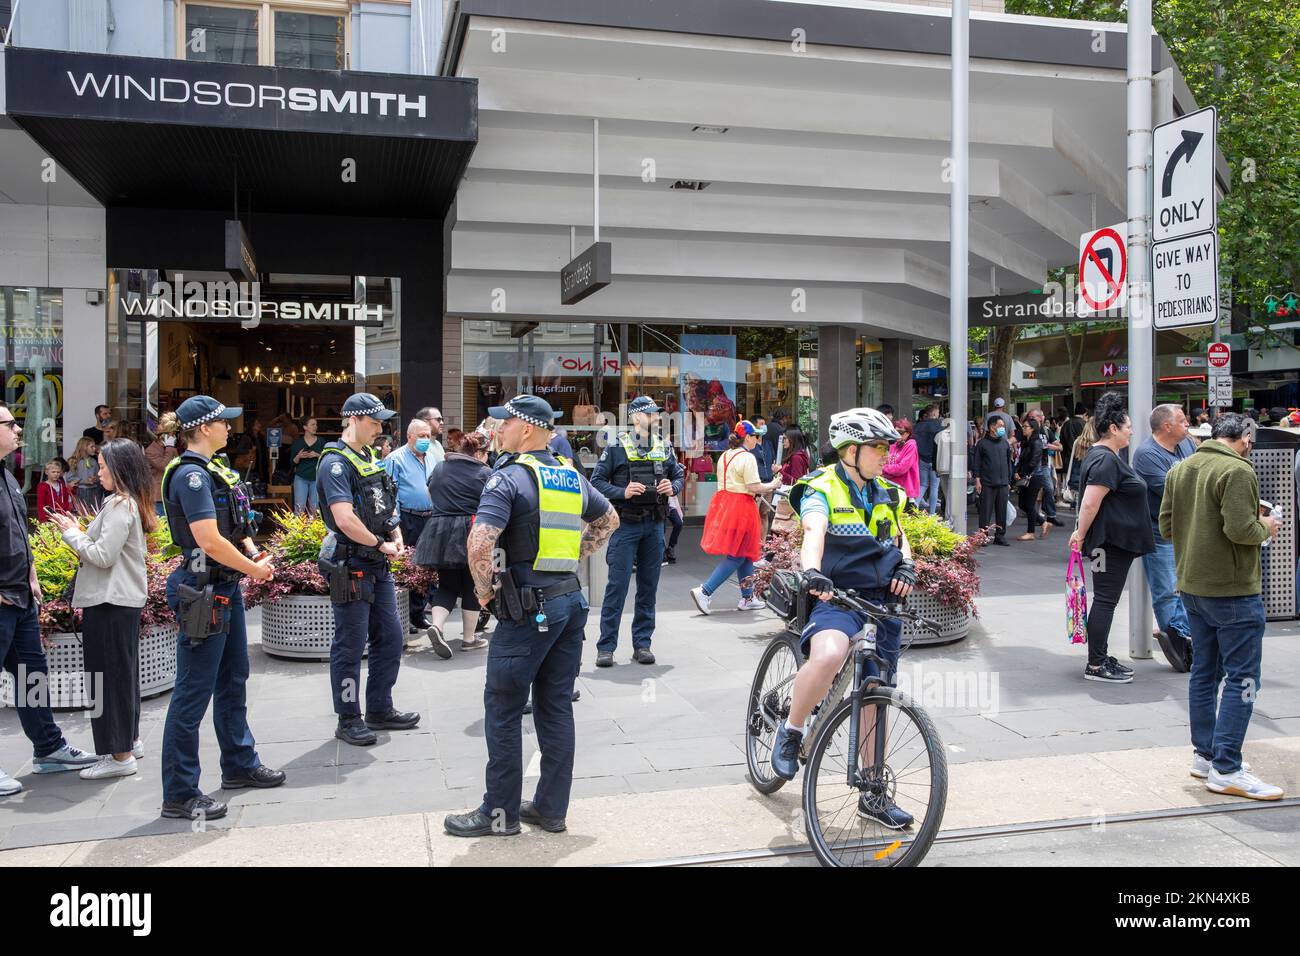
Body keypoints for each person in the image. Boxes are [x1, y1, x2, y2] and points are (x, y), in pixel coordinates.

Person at [443, 395, 619, 837]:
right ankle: (551, 810)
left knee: (502, 708)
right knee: (555, 707)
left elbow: (480, 542)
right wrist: (573, 555)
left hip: (527, 610)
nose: (496, 430)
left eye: (503, 423)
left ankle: (497, 815)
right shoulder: (568, 474)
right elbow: (609, 519)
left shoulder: (508, 478)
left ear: (525, 428)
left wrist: (484, 594)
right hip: (568, 604)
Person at [771, 407, 917, 829]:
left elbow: (899, 537)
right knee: (829, 655)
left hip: (883, 604)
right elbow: (814, 531)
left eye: (887, 446)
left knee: (876, 694)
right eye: (877, 447)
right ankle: (793, 729)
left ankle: (872, 793)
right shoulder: (822, 487)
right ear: (850, 450)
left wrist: (907, 564)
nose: (885, 454)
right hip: (838, 596)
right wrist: (812, 572)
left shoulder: (887, 491)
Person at [159, 398, 284, 820]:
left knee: (233, 680)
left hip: (223, 587)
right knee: (193, 692)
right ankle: (179, 792)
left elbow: (237, 524)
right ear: (202, 428)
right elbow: (209, 540)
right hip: (202, 590)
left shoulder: (214, 469)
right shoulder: (191, 475)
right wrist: (255, 569)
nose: (230, 428)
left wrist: (253, 556)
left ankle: (239, 764)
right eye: (222, 423)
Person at [1161, 413, 1283, 800]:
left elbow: (1166, 527)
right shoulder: (1238, 471)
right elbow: (1241, 530)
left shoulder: (1181, 468)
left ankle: (1206, 755)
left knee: (1204, 673)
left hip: (1192, 587)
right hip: (1232, 591)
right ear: (1245, 436)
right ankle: (1226, 767)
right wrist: (1268, 526)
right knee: (1244, 679)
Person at [0, 401, 97, 796]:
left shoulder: (7, 476)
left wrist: (33, 574)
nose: (17, 430)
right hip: (3, 598)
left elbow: (18, 531)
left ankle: (49, 749)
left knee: (32, 676)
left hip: (21, 596)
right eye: (10, 424)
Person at [317, 393, 419, 746]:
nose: (381, 428)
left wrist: (396, 532)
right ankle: (348, 717)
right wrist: (379, 544)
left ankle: (379, 707)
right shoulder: (334, 463)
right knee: (350, 644)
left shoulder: (369, 457)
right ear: (354, 420)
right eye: (374, 422)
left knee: (390, 637)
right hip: (351, 563)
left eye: (381, 422)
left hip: (376, 562)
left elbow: (385, 504)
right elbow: (344, 518)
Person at [50, 438, 154, 779]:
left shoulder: (120, 505)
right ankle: (129, 741)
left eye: (104, 466)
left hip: (109, 603)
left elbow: (101, 556)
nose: (99, 471)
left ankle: (118, 755)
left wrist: (71, 533)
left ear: (120, 469)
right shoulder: (126, 503)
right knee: (121, 676)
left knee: (107, 680)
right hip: (118, 603)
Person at [1068, 391, 1155, 684]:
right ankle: (1096, 664)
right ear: (1114, 428)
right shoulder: (1105, 460)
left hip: (1114, 543)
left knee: (1106, 600)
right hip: (1110, 544)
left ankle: (1101, 656)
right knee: (1105, 601)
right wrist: (1080, 534)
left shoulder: (1104, 456)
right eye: (1127, 425)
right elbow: (1090, 502)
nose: (1131, 430)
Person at [592, 396, 685, 665]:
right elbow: (596, 482)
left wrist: (674, 487)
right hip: (626, 526)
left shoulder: (663, 446)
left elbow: (677, 474)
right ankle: (606, 648)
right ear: (635, 418)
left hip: (655, 526)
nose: (656, 418)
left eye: (657, 414)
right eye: (651, 414)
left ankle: (642, 645)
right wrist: (622, 491)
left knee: (648, 588)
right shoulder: (617, 447)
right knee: (617, 587)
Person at [414, 429, 492, 653]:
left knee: (447, 584)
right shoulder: (484, 473)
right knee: (472, 584)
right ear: (479, 453)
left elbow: (429, 493)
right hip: (471, 530)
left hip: (440, 530)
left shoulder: (440, 467)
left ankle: (437, 626)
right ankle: (469, 639)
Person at [691, 421, 781, 614]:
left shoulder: (725, 456)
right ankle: (705, 591)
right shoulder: (747, 458)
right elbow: (754, 487)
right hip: (742, 507)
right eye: (756, 436)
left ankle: (747, 598)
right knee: (738, 555)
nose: (758, 440)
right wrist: (773, 484)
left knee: (746, 553)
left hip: (725, 505)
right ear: (747, 437)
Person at [1132, 404, 1197, 669]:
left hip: (1188, 529)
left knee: (1189, 588)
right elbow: (1176, 489)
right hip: (1161, 532)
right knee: (1168, 590)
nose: (1188, 424)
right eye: (1182, 421)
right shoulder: (1147, 455)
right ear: (1167, 426)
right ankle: (1179, 646)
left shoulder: (1187, 445)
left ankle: (1190, 640)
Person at [383, 417, 444, 650]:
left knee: (426, 568)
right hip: (406, 519)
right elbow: (390, 494)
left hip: (430, 517)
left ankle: (418, 613)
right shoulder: (394, 459)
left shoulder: (434, 458)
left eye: (428, 436)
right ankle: (404, 615)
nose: (425, 440)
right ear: (409, 436)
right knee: (406, 567)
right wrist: (394, 525)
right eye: (421, 436)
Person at [971, 418, 1014, 546]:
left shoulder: (1005, 443)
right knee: (985, 511)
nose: (1003, 428)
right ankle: (983, 536)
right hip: (987, 483)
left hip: (1003, 483)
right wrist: (977, 480)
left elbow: (1008, 463)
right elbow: (977, 463)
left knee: (1001, 511)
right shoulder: (982, 444)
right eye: (1000, 425)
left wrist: (1008, 480)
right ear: (992, 428)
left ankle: (1000, 536)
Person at [1014, 418, 1051, 541]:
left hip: (1034, 477)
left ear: (1033, 429)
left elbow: (1034, 462)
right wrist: (1017, 472)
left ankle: (1031, 532)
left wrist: (1021, 473)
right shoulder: (1026, 442)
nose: (1023, 429)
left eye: (1026, 427)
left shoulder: (1037, 443)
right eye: (1023, 426)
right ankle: (1043, 522)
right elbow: (1021, 459)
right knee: (1022, 504)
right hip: (1026, 475)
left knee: (1029, 504)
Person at [144, 416, 181, 518]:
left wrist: (170, 448)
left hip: (171, 492)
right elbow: (163, 466)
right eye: (172, 434)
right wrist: (169, 447)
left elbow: (177, 463)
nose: (174, 437)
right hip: (157, 495)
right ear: (163, 435)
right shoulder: (151, 450)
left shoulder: (171, 448)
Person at [912, 405, 946, 514]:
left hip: (922, 459)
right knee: (934, 487)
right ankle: (932, 514)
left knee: (923, 484)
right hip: (936, 460)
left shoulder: (917, 427)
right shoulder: (941, 426)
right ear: (935, 413)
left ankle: (914, 505)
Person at [288, 418, 324, 514]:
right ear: (305, 427)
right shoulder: (298, 443)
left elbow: (327, 459)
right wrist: (299, 456)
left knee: (315, 508)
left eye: (316, 424)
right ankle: (298, 529)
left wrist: (317, 455)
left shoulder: (321, 441)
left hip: (316, 478)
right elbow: (292, 463)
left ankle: (314, 529)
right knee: (299, 507)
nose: (315, 427)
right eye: (312, 424)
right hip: (301, 478)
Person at [882, 418, 920, 502]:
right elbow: (885, 464)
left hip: (906, 492)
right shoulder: (893, 446)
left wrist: (884, 469)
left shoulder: (911, 445)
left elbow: (902, 468)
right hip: (891, 489)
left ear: (908, 433)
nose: (897, 435)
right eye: (895, 432)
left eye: (900, 432)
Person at [68, 436, 103, 512]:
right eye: (92, 447)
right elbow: (70, 478)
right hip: (81, 491)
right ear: (84, 447)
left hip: (94, 491)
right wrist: (83, 481)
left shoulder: (94, 461)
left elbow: (98, 476)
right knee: (82, 512)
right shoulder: (74, 461)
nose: (94, 448)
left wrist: (95, 479)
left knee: (94, 511)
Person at [37, 458, 75, 522]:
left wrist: (67, 515)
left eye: (58, 472)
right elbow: (41, 505)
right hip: (49, 519)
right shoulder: (42, 487)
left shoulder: (62, 486)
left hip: (62, 518)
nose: (56, 474)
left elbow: (66, 502)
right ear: (46, 472)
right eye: (53, 472)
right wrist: (43, 520)